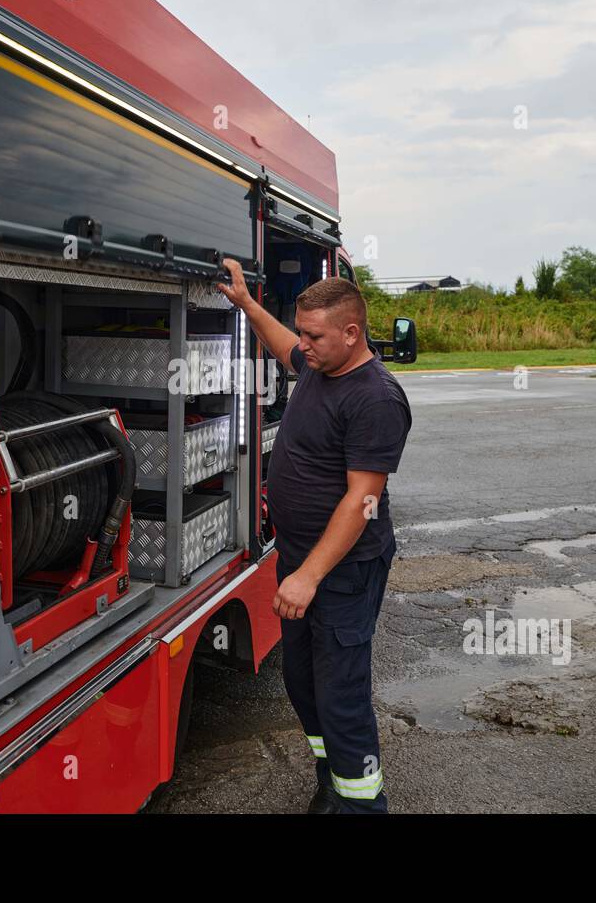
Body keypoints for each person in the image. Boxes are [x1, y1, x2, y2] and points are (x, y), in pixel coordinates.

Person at [216, 257, 412, 813]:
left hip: (341, 571)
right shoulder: (321, 366)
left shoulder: (375, 397)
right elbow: (284, 349)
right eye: (302, 331)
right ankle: (332, 780)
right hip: (302, 560)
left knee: (342, 697)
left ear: (352, 333)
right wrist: (250, 304)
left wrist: (308, 575)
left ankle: (361, 804)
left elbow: (362, 501)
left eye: (315, 335)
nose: (303, 345)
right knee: (303, 685)